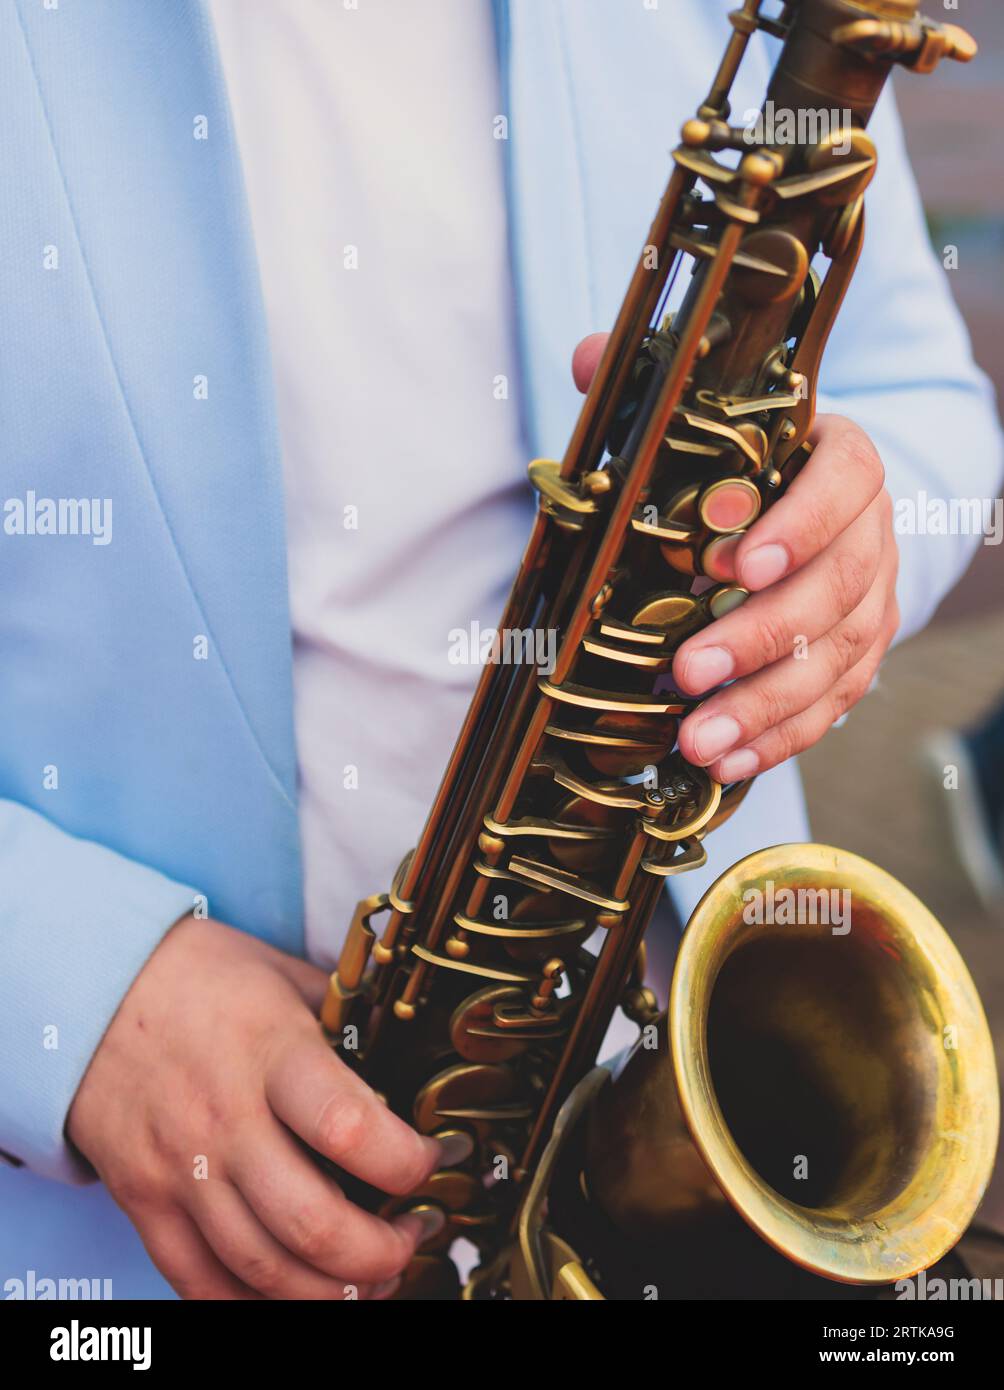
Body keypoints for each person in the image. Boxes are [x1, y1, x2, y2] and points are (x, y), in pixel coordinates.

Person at [1, 0, 1000, 1302]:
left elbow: (922, 396)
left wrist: (855, 551)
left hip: (669, 1128)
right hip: (124, 1249)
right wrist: (73, 991)